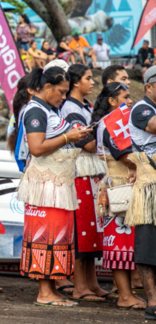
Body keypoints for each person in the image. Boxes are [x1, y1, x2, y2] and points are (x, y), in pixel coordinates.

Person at [17, 66, 92, 307]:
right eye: (61, 92)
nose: (64, 97)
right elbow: (36, 147)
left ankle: (51, 288)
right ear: (47, 88)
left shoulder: (49, 109)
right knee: (46, 233)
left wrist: (74, 135)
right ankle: (44, 292)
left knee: (58, 234)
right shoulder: (35, 110)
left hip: (58, 181)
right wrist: (69, 137)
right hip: (45, 184)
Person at [92, 82, 148, 309]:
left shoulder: (119, 121)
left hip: (129, 185)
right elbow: (126, 157)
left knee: (131, 243)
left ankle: (128, 292)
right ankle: (124, 296)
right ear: (112, 101)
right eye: (125, 97)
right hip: (118, 188)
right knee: (120, 243)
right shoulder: (110, 123)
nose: (130, 101)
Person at [59, 64, 110, 302]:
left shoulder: (86, 106)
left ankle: (92, 283)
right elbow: (88, 144)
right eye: (88, 78)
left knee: (92, 230)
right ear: (76, 82)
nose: (92, 82)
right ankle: (80, 286)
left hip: (92, 171)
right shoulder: (70, 108)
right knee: (82, 231)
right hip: (80, 171)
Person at [125, 66, 156, 319]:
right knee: (147, 244)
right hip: (150, 187)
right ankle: (152, 301)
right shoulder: (141, 109)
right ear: (149, 87)